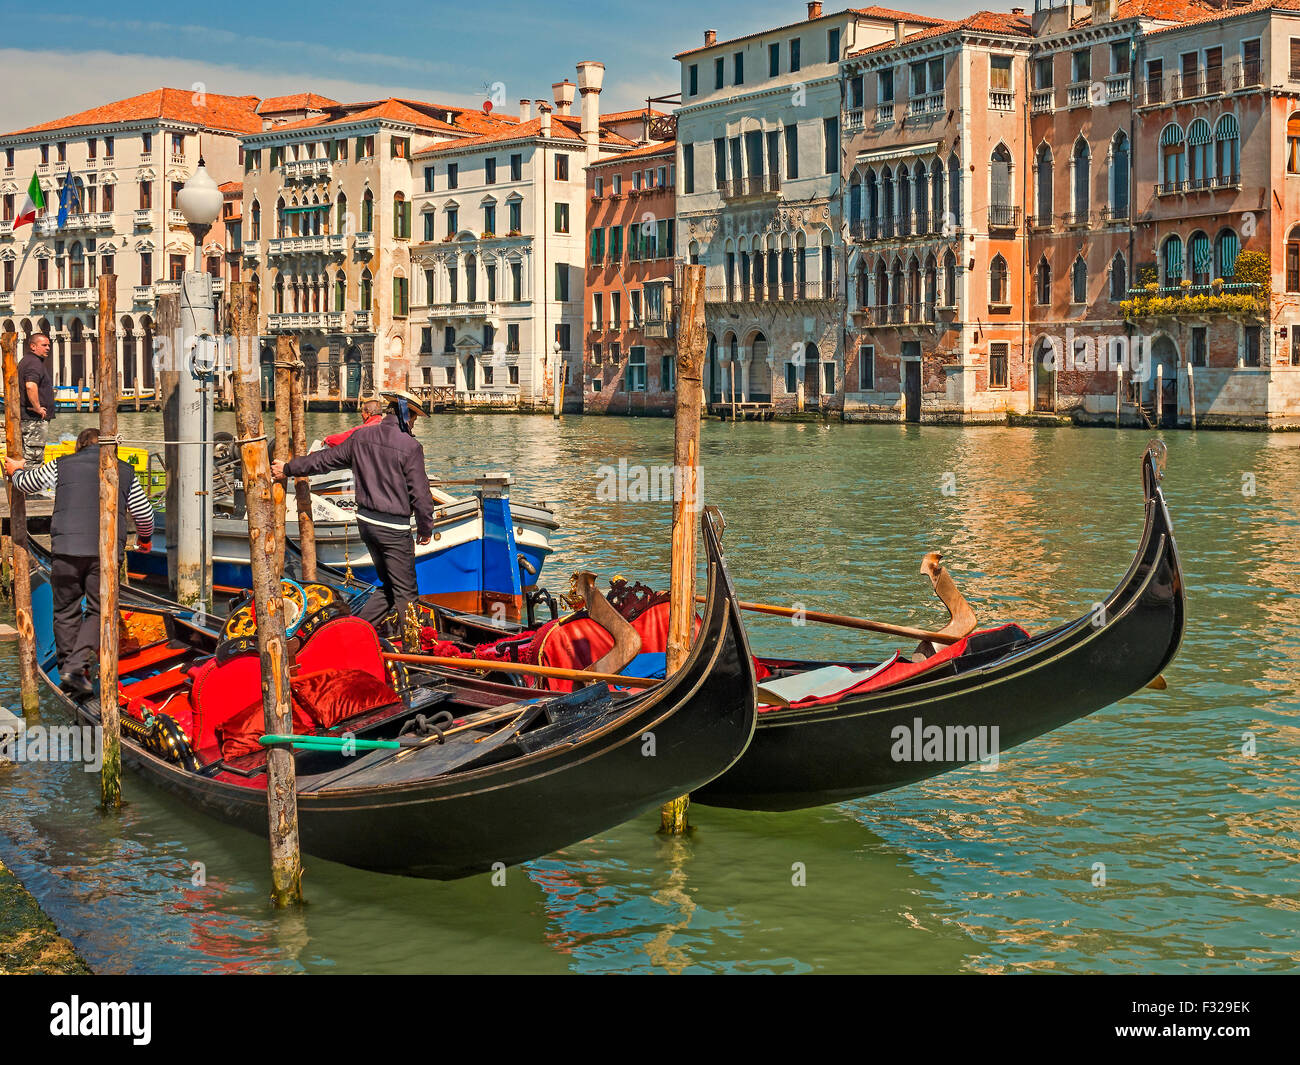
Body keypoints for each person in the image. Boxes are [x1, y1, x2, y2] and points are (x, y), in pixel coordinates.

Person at [4, 428, 155, 696]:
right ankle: (76, 667)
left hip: (66, 550)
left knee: (65, 611)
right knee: (100, 610)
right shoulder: (124, 471)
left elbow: (26, 483)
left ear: (79, 446)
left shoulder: (62, 464)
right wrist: (145, 540)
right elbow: (144, 515)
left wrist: (16, 471)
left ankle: (70, 674)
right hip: (104, 554)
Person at [273, 390, 433, 627]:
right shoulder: (410, 447)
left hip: (366, 525)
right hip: (393, 529)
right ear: (407, 417)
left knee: (391, 586)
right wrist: (425, 527)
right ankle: (415, 648)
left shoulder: (361, 437)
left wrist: (288, 468)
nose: (414, 424)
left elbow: (323, 461)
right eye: (414, 419)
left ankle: (350, 630)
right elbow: (420, 493)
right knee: (406, 592)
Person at [17, 333, 55, 466]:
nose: (48, 348)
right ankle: (31, 486)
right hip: (33, 420)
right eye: (44, 345)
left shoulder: (28, 361)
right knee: (33, 459)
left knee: (30, 456)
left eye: (49, 345)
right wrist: (37, 407)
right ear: (33, 346)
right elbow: (30, 385)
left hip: (29, 418)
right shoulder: (34, 363)